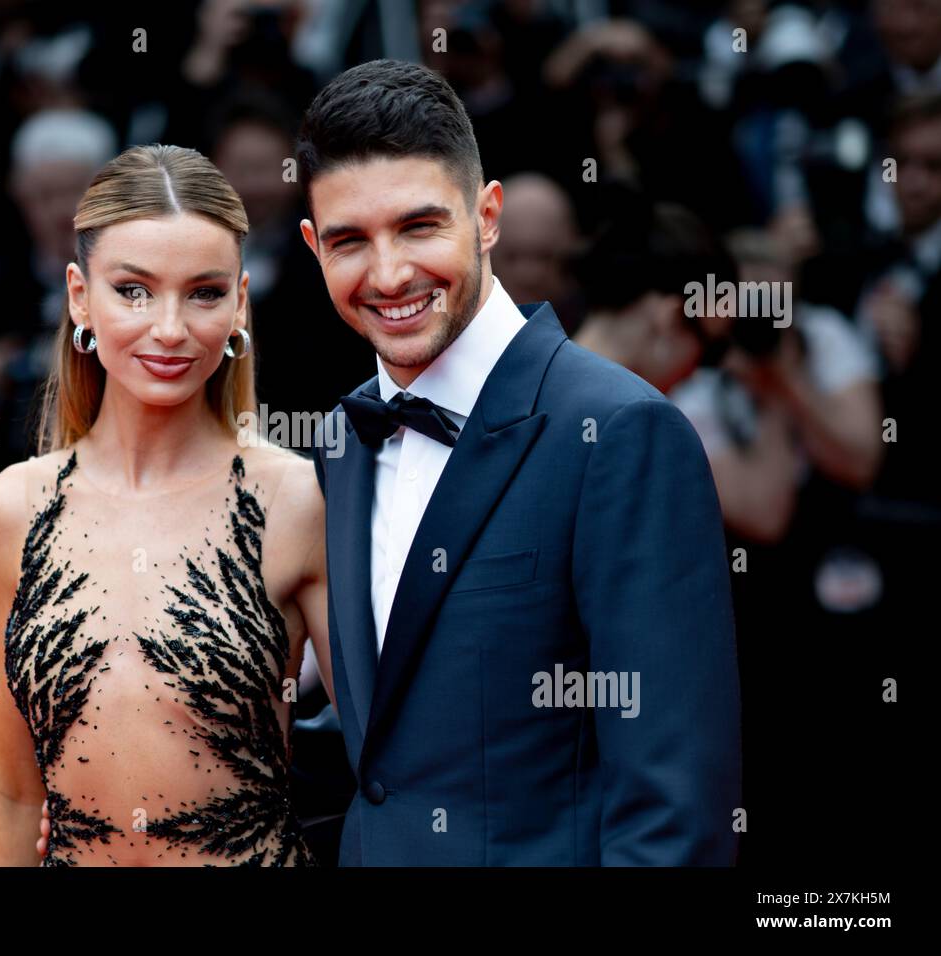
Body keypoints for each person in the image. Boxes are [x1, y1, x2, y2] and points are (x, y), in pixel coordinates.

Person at [294, 59, 741, 865]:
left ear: (487, 215)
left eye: (420, 227)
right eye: (350, 240)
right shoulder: (340, 440)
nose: (389, 273)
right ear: (311, 246)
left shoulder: (620, 432)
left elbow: (672, 814)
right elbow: (386, 748)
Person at [0, 143, 332, 867]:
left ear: (239, 303)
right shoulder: (14, 508)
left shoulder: (296, 500)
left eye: (203, 292)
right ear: (80, 295)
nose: (169, 328)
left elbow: (392, 751)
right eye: (132, 290)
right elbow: (14, 792)